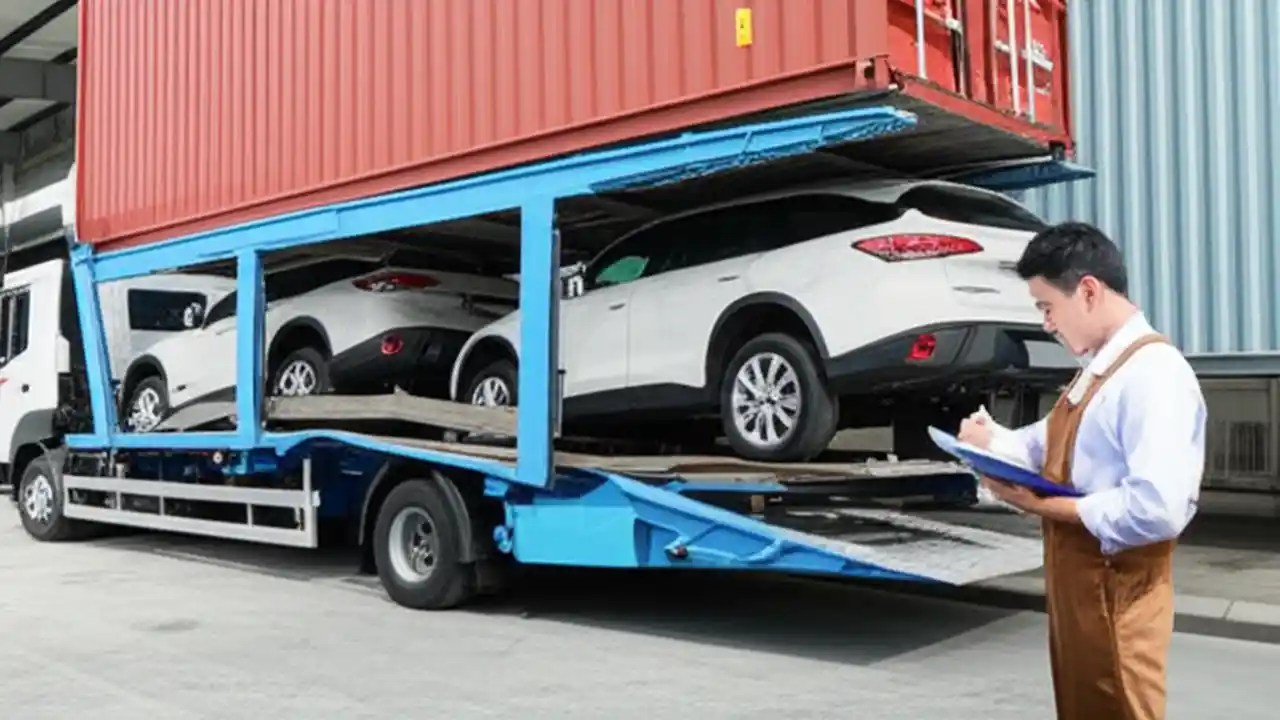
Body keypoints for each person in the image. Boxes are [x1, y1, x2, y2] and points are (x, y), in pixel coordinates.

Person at [957, 221, 1205, 720]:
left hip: (1117, 597)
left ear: (1088, 291)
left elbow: (1158, 509)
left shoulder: (1153, 375)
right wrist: (990, 441)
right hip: (1083, 594)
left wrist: (1045, 505)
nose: (1046, 322)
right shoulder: (1098, 371)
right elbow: (1044, 445)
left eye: (1047, 306)